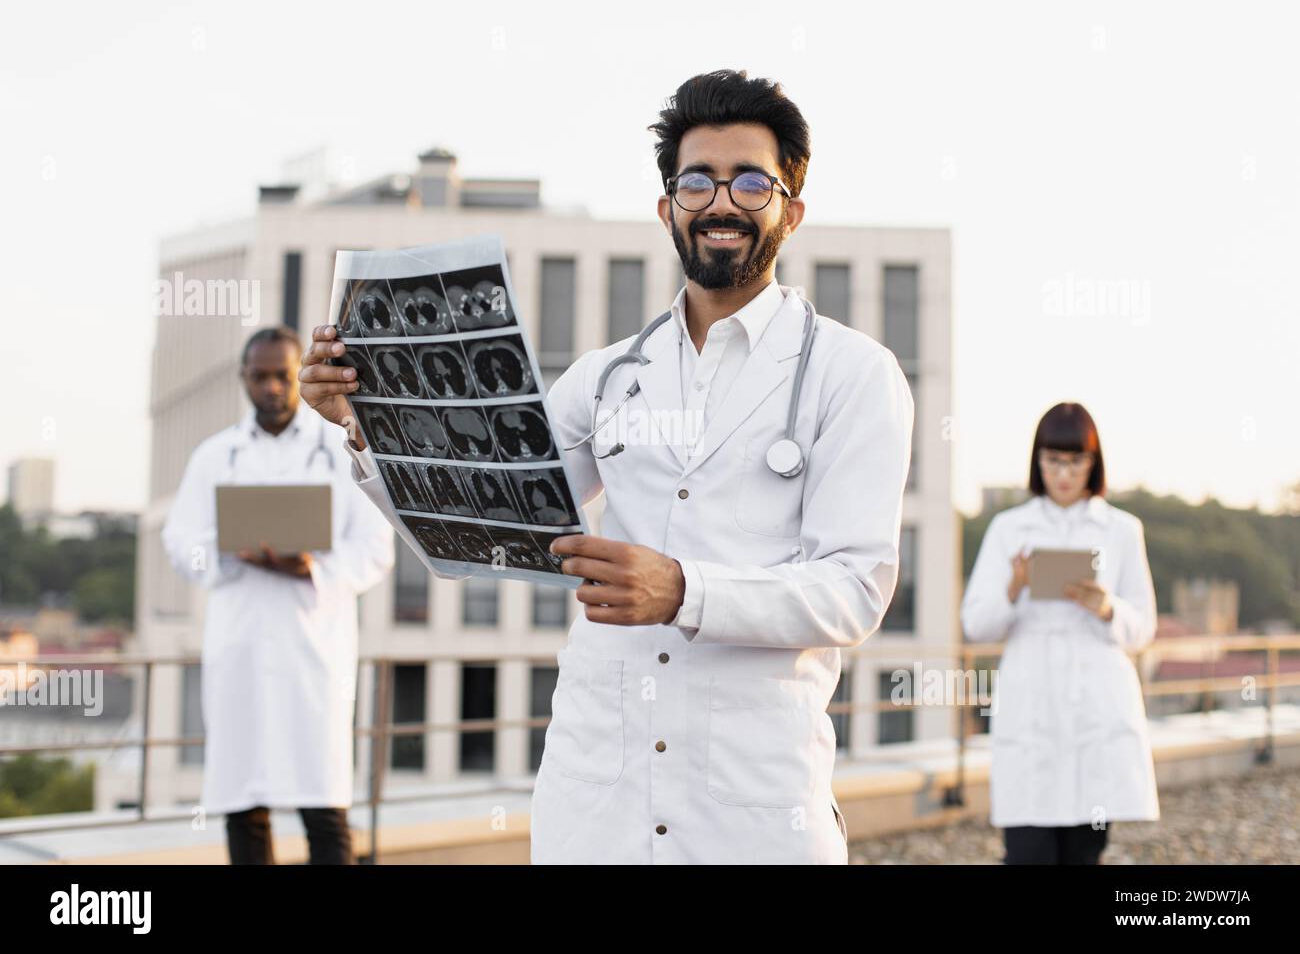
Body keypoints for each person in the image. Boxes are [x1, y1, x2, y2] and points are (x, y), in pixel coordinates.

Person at [299, 70, 914, 864]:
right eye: (697, 182)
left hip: (754, 807)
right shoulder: (606, 376)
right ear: (668, 209)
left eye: (751, 183)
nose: (721, 203)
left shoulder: (853, 374)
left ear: (790, 212)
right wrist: (364, 424)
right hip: (595, 795)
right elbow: (486, 518)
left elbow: (854, 590)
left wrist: (684, 591)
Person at [162, 326, 394, 864]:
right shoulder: (215, 456)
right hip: (239, 648)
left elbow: (376, 548)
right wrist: (229, 551)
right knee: (244, 807)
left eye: (281, 376)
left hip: (313, 648)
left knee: (325, 809)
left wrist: (311, 568)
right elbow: (179, 542)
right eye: (259, 376)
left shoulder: (340, 453)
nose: (270, 387)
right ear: (243, 378)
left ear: (298, 376)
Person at [960, 402, 1159, 864]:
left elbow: (1143, 628)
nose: (1064, 474)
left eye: (1076, 461)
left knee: (1084, 852)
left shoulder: (1122, 530)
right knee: (1027, 851)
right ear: (1038, 461)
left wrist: (1107, 608)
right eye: (1053, 460)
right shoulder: (1009, 528)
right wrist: (1014, 587)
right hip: (1031, 702)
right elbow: (976, 624)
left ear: (1094, 463)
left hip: (1096, 705)